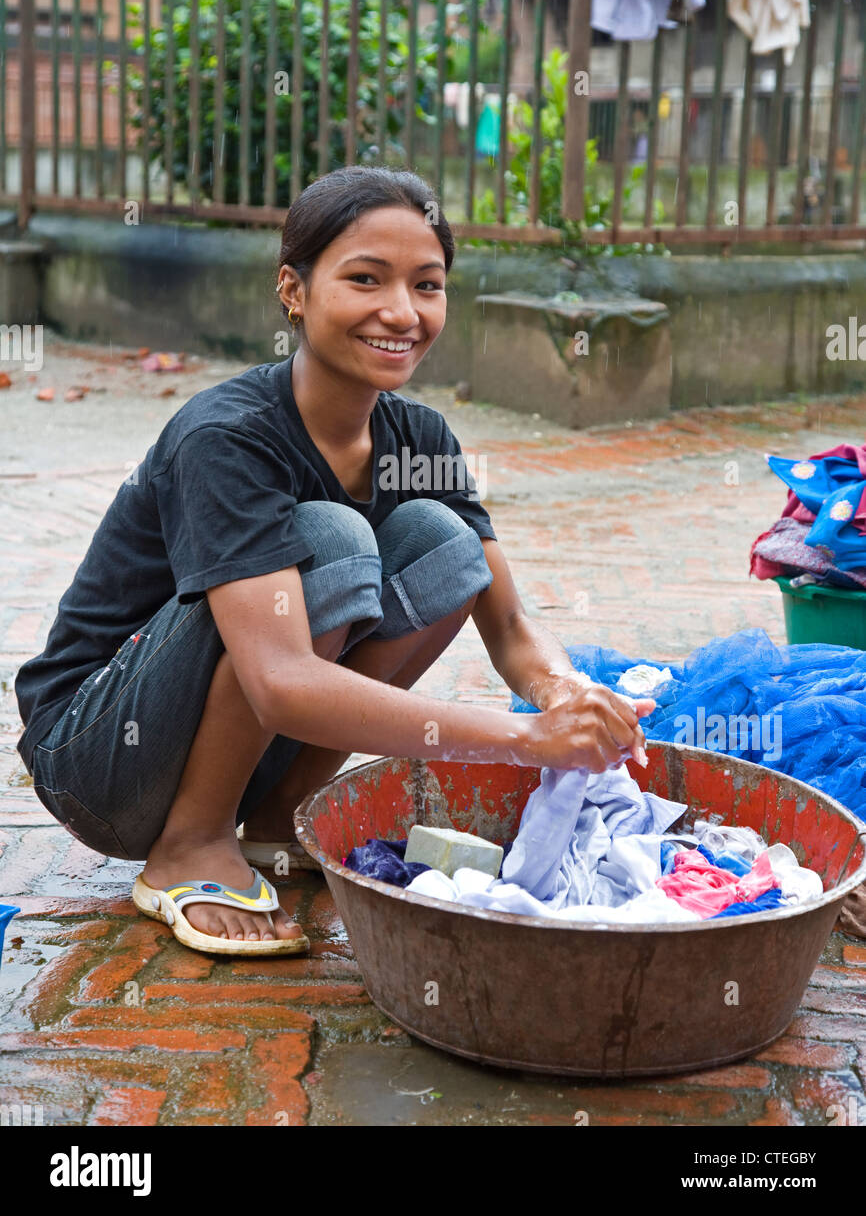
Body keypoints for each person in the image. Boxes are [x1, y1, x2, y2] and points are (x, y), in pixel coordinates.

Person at [14, 166, 653, 957]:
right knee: (333, 540)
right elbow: (281, 681)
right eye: (365, 279)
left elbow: (510, 621)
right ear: (294, 290)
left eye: (428, 285)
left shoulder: (420, 438)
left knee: (445, 546)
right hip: (102, 753)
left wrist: (567, 694)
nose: (402, 313)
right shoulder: (230, 436)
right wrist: (526, 739)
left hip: (246, 731)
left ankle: (281, 815)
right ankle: (191, 842)